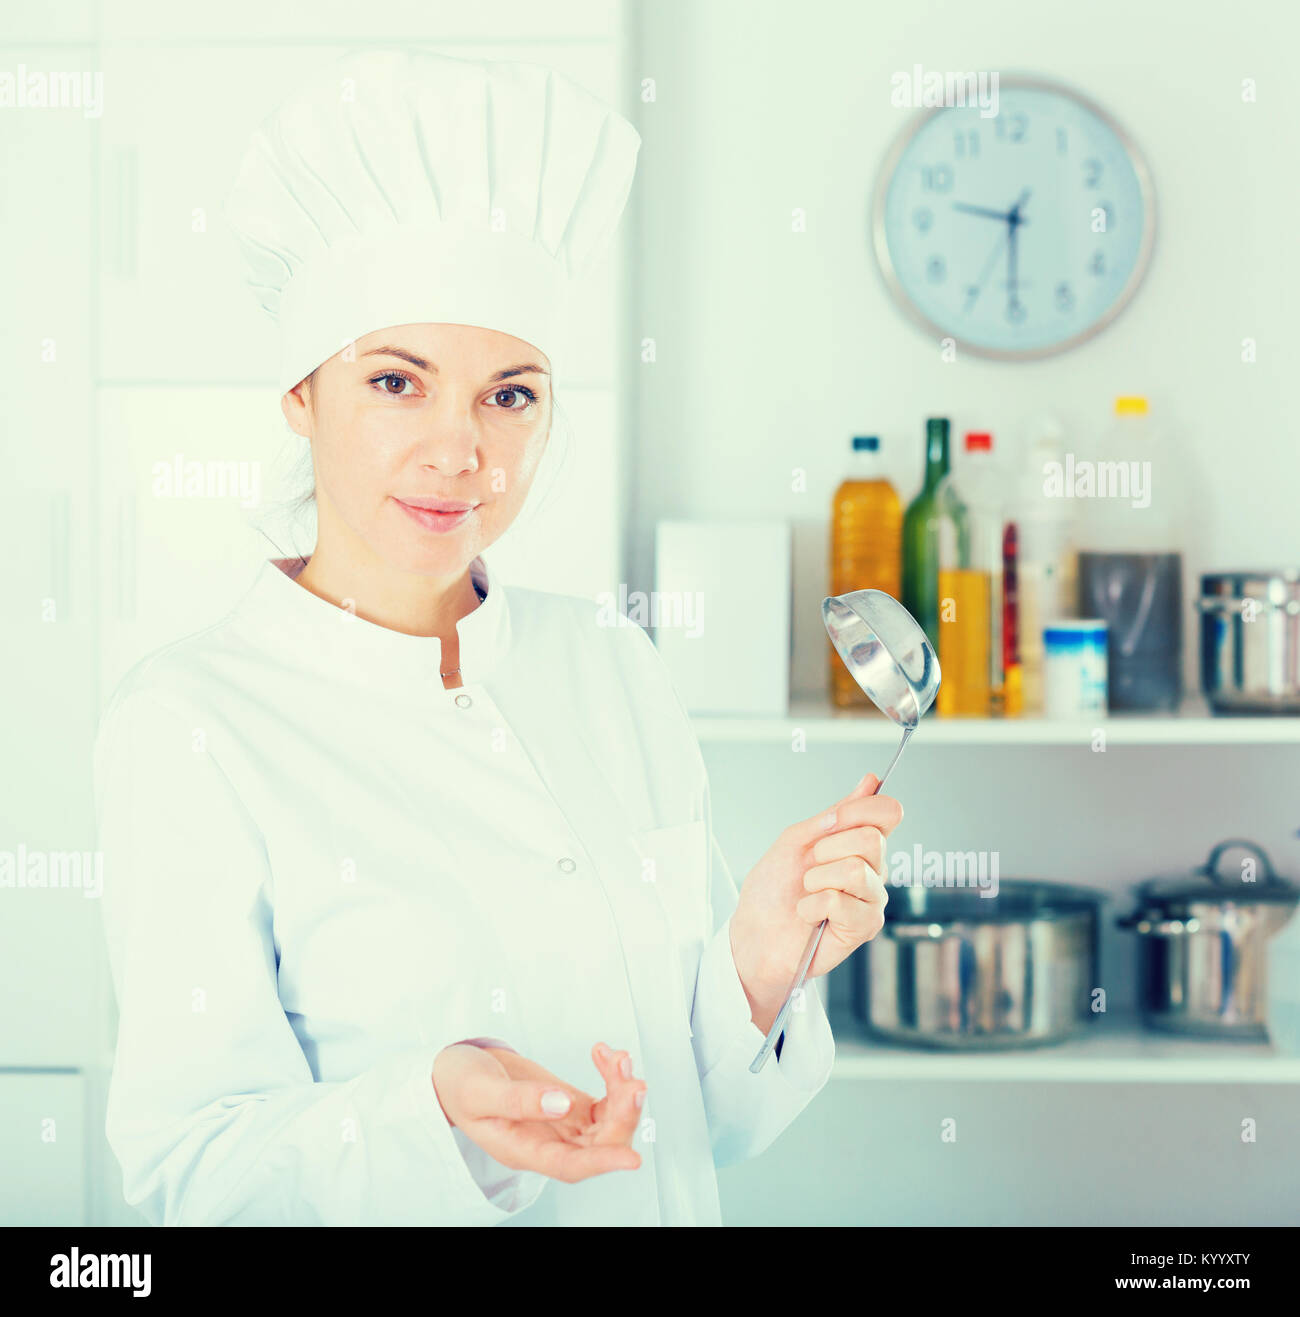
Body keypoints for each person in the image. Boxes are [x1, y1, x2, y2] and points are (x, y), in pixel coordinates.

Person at [94, 48, 902, 1227]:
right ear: (299, 399)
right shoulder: (191, 722)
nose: (461, 449)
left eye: (510, 393)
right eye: (395, 382)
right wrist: (432, 1117)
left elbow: (705, 1132)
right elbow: (193, 1180)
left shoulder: (609, 662)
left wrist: (758, 965)